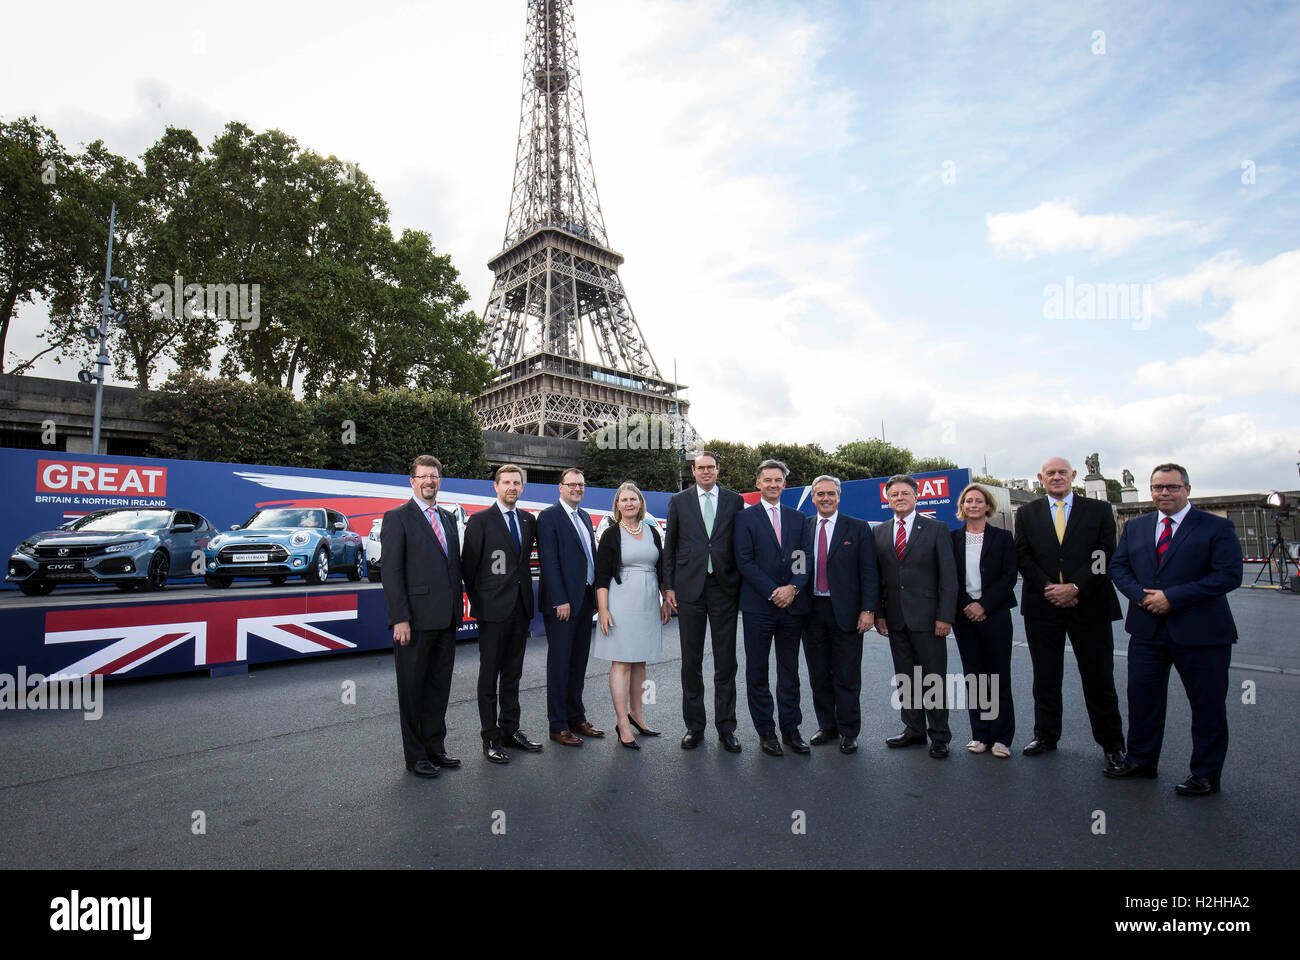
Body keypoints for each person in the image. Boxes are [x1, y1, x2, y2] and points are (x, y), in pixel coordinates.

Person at [1106, 464, 1243, 796]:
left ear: (1187, 489)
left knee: (1207, 706)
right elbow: (1118, 566)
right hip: (1147, 630)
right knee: (1142, 700)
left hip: (1202, 633)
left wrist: (1173, 598)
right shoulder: (1136, 527)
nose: (1163, 493)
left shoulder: (1216, 527)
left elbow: (1228, 576)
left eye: (1171, 487)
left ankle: (1206, 774)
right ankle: (1141, 761)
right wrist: (1141, 596)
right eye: (1157, 488)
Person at [1014, 456, 1126, 773]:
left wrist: (1076, 587)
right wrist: (1050, 587)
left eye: (1063, 472)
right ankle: (1045, 736)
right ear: (1041, 478)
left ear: (1074, 475)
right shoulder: (1027, 513)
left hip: (1089, 605)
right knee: (1046, 677)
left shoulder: (1099, 510)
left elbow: (1105, 554)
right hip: (1042, 606)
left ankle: (1112, 745)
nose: (1057, 477)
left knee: (1099, 678)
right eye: (1051, 473)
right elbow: (1022, 555)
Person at [379, 454, 463, 778]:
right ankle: (416, 757)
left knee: (438, 689)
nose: (429, 481)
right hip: (413, 622)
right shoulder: (397, 517)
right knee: (412, 691)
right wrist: (400, 618)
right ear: (412, 480)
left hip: (446, 619)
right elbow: (391, 572)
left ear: (439, 481)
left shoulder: (448, 517)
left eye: (434, 476)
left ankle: (435, 749)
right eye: (423, 476)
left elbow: (452, 567)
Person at [662, 450, 746, 753]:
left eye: (711, 467)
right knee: (691, 661)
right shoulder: (679, 501)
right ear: (693, 471)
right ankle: (694, 727)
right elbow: (669, 545)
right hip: (689, 588)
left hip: (725, 587)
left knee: (726, 663)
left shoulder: (734, 500)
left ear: (718, 470)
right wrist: (667, 587)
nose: (706, 472)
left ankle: (727, 728)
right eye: (701, 468)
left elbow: (741, 543)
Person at [460, 464, 541, 765]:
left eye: (516, 483)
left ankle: (511, 729)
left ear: (522, 487)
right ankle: (490, 737)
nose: (511, 487)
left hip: (520, 608)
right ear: (495, 487)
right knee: (488, 677)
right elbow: (469, 568)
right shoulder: (480, 521)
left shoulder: (527, 520)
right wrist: (482, 605)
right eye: (506, 482)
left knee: (513, 674)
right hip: (492, 612)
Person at [873, 474, 957, 759]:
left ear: (916, 496)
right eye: (894, 494)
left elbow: (948, 576)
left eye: (905, 493)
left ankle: (939, 735)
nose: (899, 498)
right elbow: (879, 578)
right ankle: (913, 730)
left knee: (933, 678)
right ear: (888, 499)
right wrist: (880, 615)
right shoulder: (881, 532)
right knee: (906, 677)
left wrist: (945, 616)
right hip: (896, 619)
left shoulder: (935, 528)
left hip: (929, 618)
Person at [733, 459, 811, 757]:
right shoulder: (745, 518)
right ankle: (766, 732)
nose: (773, 484)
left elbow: (803, 558)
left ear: (784, 484)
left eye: (778, 480)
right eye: (768, 480)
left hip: (792, 605)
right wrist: (772, 591)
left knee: (789, 672)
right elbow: (744, 560)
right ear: (758, 484)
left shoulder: (798, 517)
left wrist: (792, 588)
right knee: (758, 672)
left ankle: (791, 730)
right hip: (759, 607)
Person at [801, 475, 878, 754]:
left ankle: (848, 730)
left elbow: (869, 573)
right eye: (820, 494)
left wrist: (868, 610)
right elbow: (798, 568)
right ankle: (827, 726)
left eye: (830, 494)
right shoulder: (804, 527)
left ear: (839, 496)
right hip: (811, 612)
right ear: (813, 498)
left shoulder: (857, 528)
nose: (825, 498)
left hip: (846, 612)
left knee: (846, 675)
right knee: (818, 674)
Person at [594, 482, 671, 749]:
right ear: (617, 505)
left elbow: (661, 569)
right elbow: (602, 577)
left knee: (640, 662)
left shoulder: (651, 531)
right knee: (623, 662)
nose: (628, 504)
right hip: (620, 602)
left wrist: (664, 600)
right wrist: (603, 609)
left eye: (633, 499)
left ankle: (637, 715)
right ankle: (622, 722)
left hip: (649, 601)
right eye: (623, 500)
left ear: (640, 504)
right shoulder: (611, 534)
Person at [536, 467, 603, 746]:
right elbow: (549, 562)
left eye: (581, 485)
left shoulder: (585, 516)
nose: (577, 489)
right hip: (563, 604)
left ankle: (577, 717)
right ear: (560, 488)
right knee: (560, 665)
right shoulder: (549, 517)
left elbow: (591, 558)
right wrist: (559, 599)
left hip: (585, 600)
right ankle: (558, 724)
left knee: (578, 664)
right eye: (572, 484)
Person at [949, 483, 1018, 758]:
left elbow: (1009, 576)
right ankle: (980, 734)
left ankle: (1002, 737)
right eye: (968, 501)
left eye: (979, 501)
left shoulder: (1002, 537)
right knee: (974, 676)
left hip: (995, 614)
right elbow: (950, 577)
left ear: (988, 506)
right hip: (964, 616)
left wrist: (983, 605)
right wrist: (967, 605)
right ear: (962, 507)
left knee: (999, 676)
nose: (974, 505)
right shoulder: (953, 538)